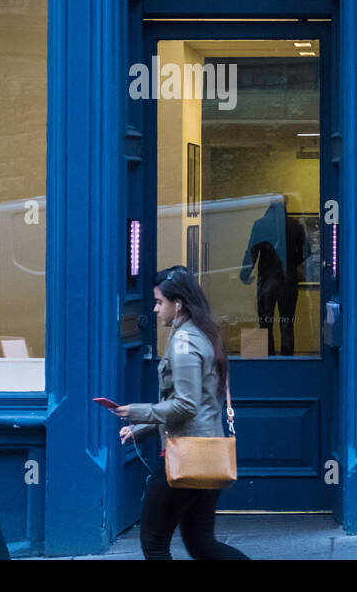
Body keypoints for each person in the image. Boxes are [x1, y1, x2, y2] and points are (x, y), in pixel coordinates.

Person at [115, 266, 250, 560]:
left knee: (153, 543)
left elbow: (185, 405)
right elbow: (195, 404)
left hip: (186, 457)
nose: (154, 308)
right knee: (202, 543)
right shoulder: (201, 335)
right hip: (206, 453)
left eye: (159, 302)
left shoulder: (185, 342)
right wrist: (142, 430)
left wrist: (135, 413)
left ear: (178, 304)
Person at [239, 199, 306, 355]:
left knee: (265, 323)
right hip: (288, 280)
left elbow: (252, 251)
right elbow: (306, 252)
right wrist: (292, 263)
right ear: (285, 206)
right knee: (287, 324)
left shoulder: (260, 224)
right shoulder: (295, 225)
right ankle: (287, 362)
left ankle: (268, 360)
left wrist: (244, 275)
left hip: (266, 281)